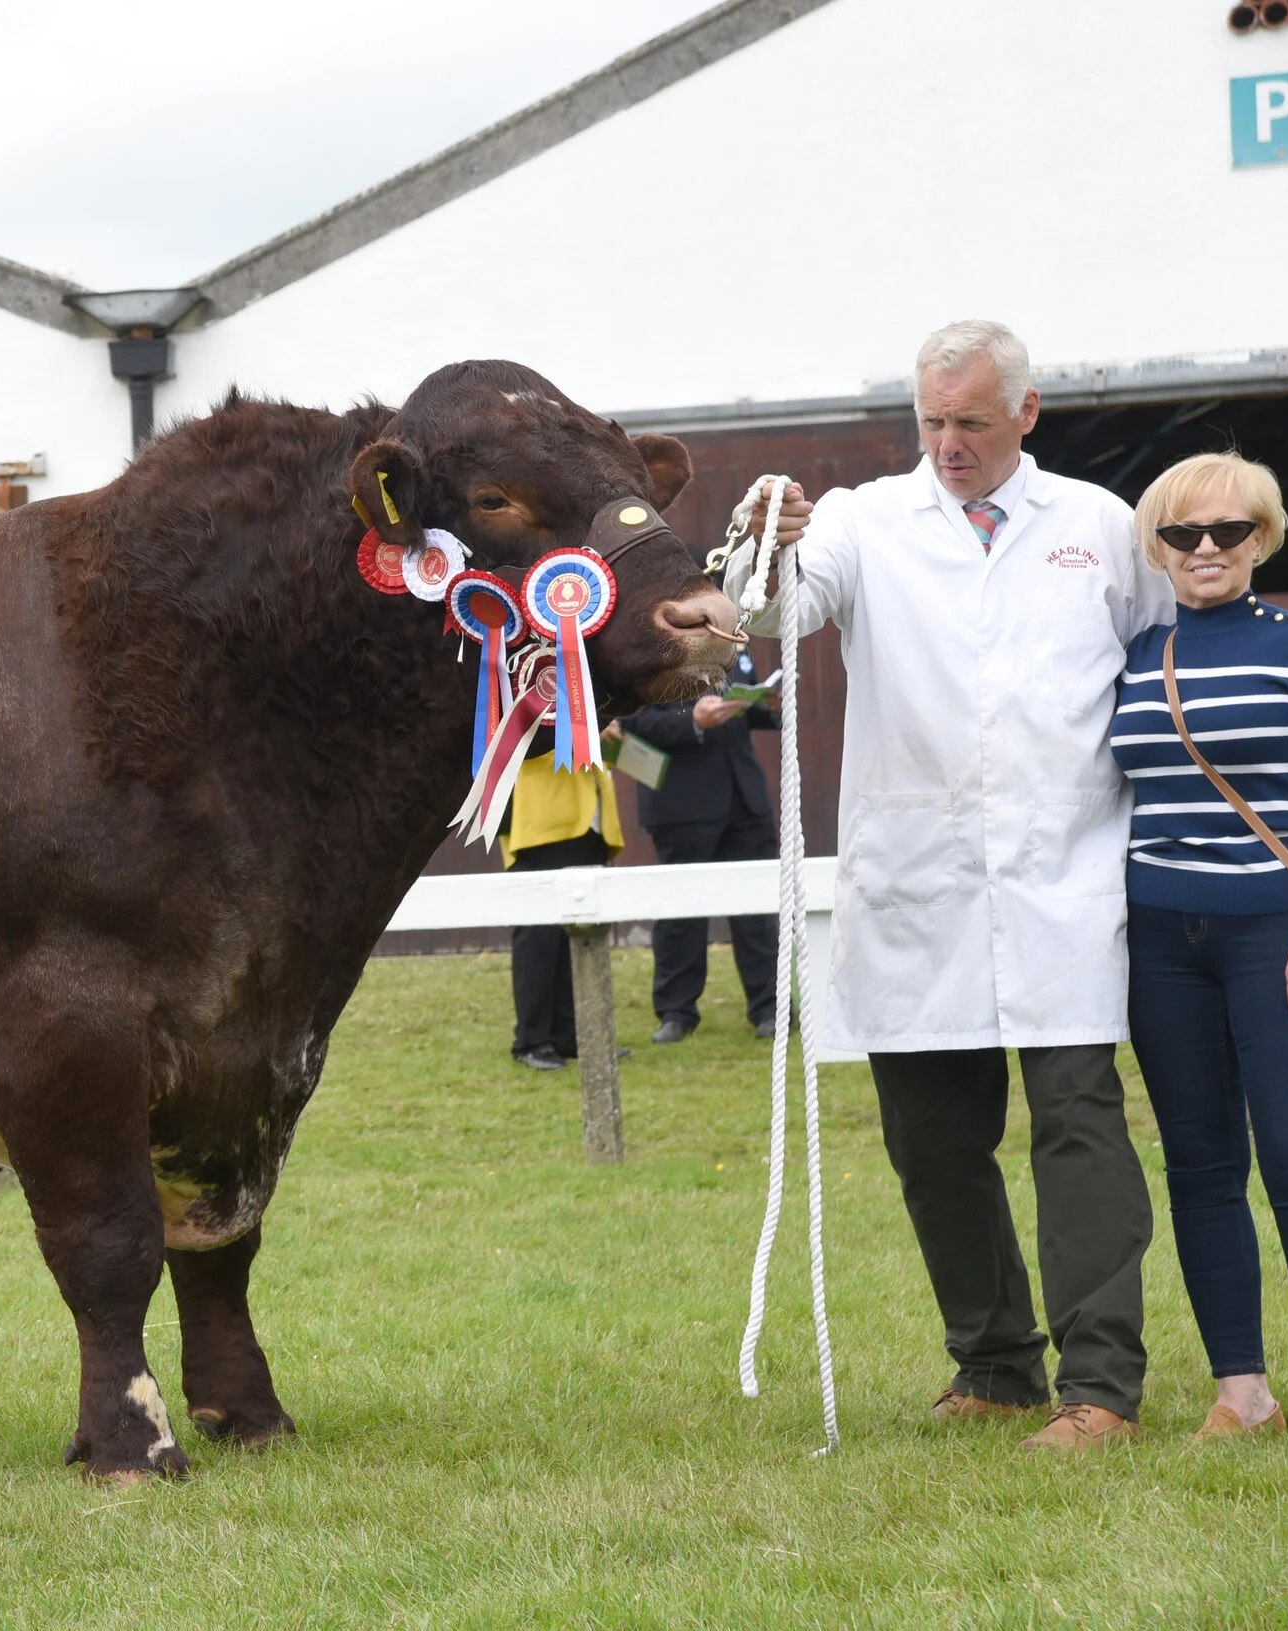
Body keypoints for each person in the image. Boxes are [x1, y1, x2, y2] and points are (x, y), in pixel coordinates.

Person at [735, 319, 1174, 1450]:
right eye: (930, 422)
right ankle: (992, 1360)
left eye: (970, 422)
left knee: (1078, 1127)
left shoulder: (1097, 528)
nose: (947, 445)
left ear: (1025, 413)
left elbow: (1165, 664)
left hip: (1065, 880)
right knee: (931, 1140)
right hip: (917, 881)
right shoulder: (858, 521)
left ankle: (1099, 1386)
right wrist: (764, 539)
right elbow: (778, 605)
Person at [1110, 453, 1288, 1439]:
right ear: (1157, 547)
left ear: (1262, 537)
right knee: (1198, 1160)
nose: (1206, 548)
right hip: (1160, 935)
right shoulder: (1135, 652)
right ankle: (1243, 1390)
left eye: (1228, 530)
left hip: (1276, 928)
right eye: (1183, 534)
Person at [621, 647, 780, 1044]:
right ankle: (677, 1011)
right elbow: (634, 720)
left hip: (744, 797)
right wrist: (691, 719)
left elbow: (744, 706)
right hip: (682, 801)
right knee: (680, 912)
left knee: (758, 912)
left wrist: (768, 704)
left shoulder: (732, 645)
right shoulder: (651, 649)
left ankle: (771, 1006)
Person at [504, 756, 620, 1070]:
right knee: (539, 938)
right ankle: (532, 1041)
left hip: (590, 820)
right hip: (543, 818)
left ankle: (573, 1036)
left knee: (579, 936)